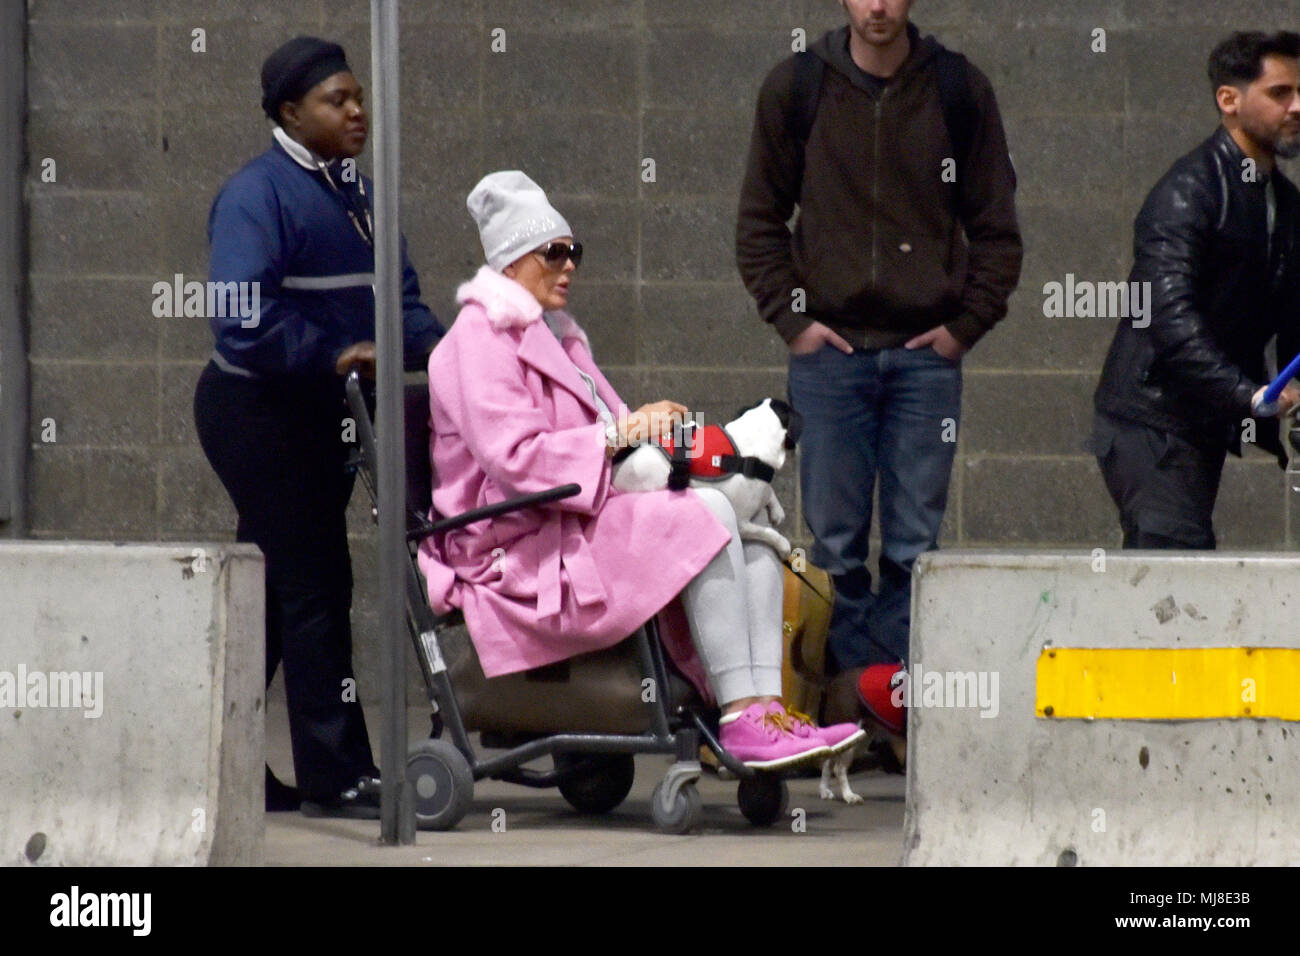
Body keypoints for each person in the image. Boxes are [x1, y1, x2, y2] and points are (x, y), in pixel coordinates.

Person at [417, 171, 863, 768]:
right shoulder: (473, 345)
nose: (569, 265)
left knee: (751, 540)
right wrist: (623, 434)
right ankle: (737, 715)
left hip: (571, 516)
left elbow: (619, 437)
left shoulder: (560, 339)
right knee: (704, 514)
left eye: (574, 251)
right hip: (512, 547)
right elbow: (517, 462)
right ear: (512, 262)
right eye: (554, 253)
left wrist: (703, 455)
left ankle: (763, 712)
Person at [735, 0, 1022, 696]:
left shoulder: (958, 89)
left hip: (926, 359)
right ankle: (847, 695)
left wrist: (962, 329)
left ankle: (892, 699)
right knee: (833, 547)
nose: (879, 6)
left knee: (915, 548)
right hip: (829, 357)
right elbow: (758, 222)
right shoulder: (797, 86)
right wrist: (794, 321)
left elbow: (997, 229)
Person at [193, 37, 444, 818]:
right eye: (337, 100)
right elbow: (238, 322)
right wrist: (336, 353)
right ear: (289, 112)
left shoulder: (362, 197)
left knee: (269, 592)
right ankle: (337, 777)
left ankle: (211, 762)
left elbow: (398, 304)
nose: (357, 110)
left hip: (329, 412)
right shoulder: (255, 196)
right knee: (315, 581)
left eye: (358, 96)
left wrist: (461, 347)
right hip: (259, 413)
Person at [1090, 31, 1300, 549]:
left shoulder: (1283, 201)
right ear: (1229, 100)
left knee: (1178, 572)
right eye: (1280, 93)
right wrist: (1245, 394)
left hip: (1200, 416)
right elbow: (1167, 315)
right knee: (1173, 571)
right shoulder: (1188, 192)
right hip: (1151, 419)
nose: (1298, 107)